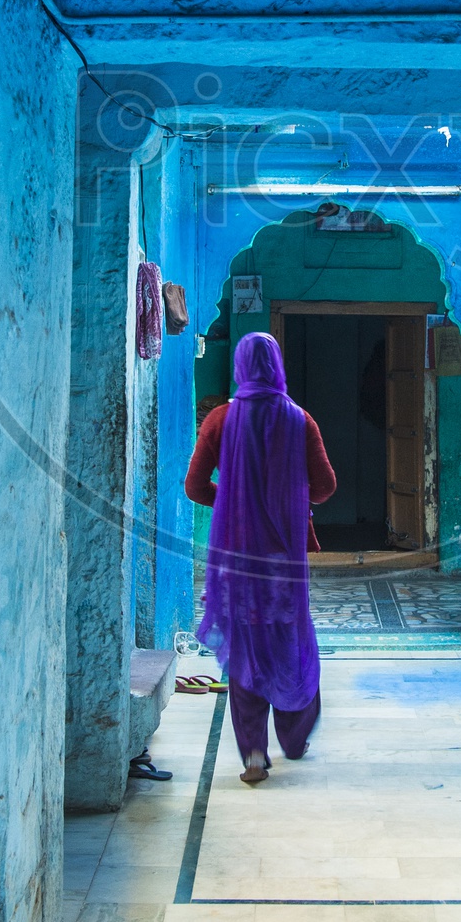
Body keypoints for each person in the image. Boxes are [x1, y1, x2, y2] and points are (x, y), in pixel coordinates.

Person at [185, 331, 336, 785]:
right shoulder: (300, 421)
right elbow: (326, 488)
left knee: (246, 648)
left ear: (238, 367)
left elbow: (194, 487)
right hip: (283, 564)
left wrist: (234, 501)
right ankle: (294, 740)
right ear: (276, 366)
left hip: (235, 559)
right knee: (290, 642)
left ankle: (253, 753)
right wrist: (286, 499)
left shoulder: (219, 420)